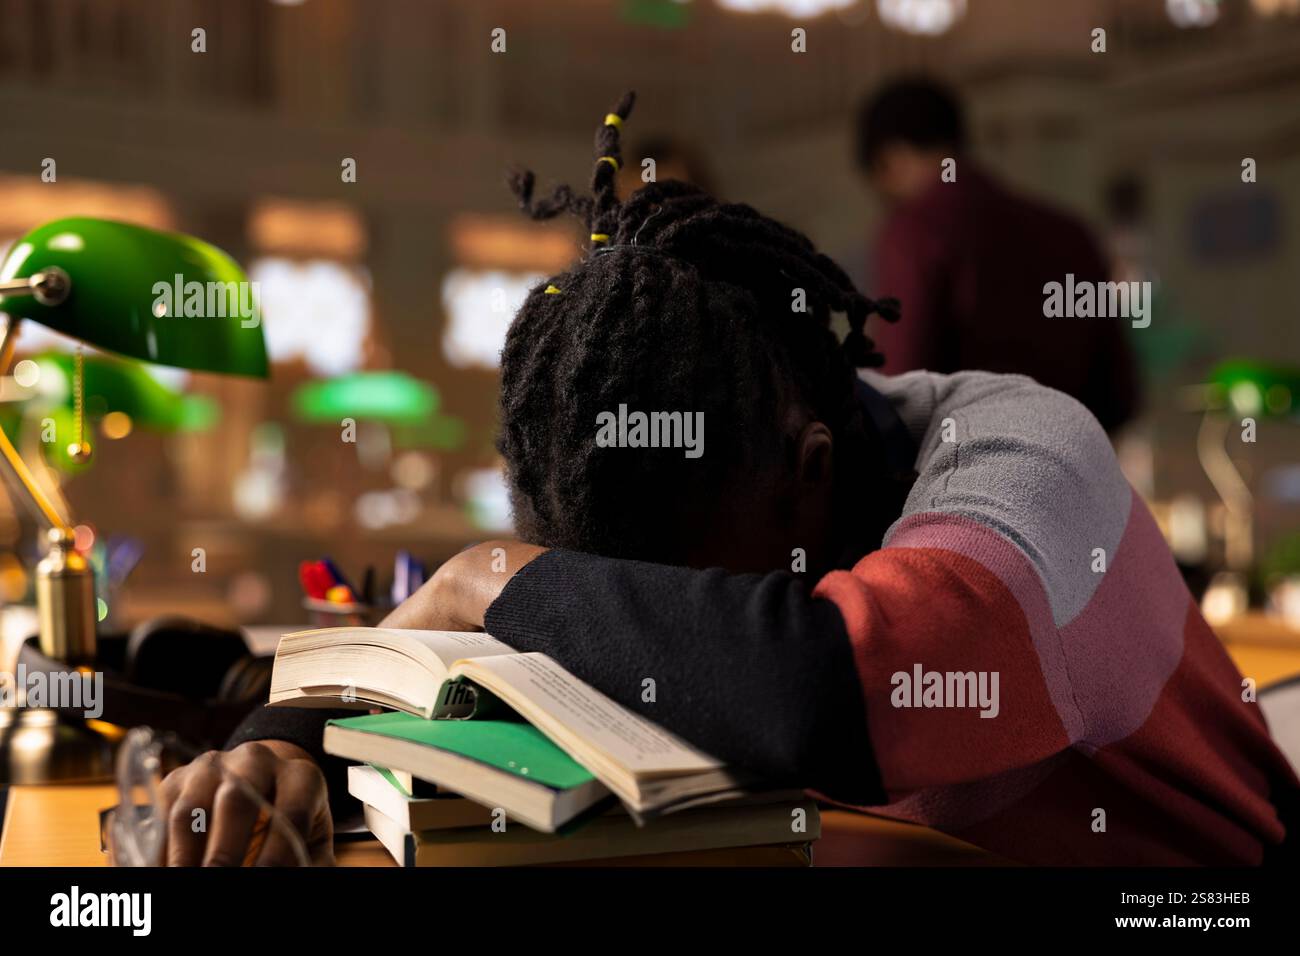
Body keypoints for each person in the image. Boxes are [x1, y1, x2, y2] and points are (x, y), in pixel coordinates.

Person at [157, 93, 1295, 866]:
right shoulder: (718, 486)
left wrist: (494, 576)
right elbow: (483, 633)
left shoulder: (1026, 457)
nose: (659, 631)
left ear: (811, 476)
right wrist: (277, 745)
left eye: (684, 591)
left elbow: (819, 688)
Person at [857, 77, 1141, 434]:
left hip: (964, 477)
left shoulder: (914, 232)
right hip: (1074, 469)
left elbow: (903, 391)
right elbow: (1120, 395)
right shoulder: (1072, 234)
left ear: (889, 159)